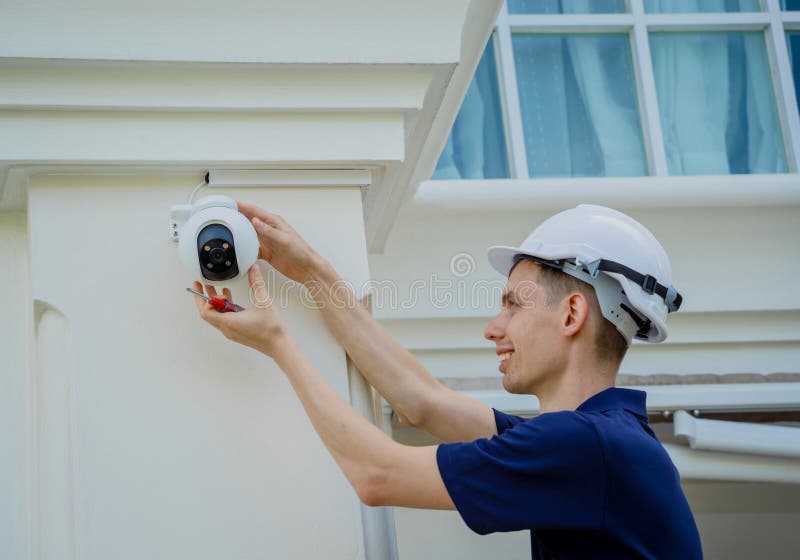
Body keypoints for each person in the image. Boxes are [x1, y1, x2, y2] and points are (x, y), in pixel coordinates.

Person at [192, 203, 703, 560]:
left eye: (512, 304)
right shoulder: (599, 442)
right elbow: (423, 402)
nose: (492, 328)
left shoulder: (588, 447)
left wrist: (279, 343)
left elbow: (376, 475)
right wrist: (314, 274)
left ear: (572, 314)